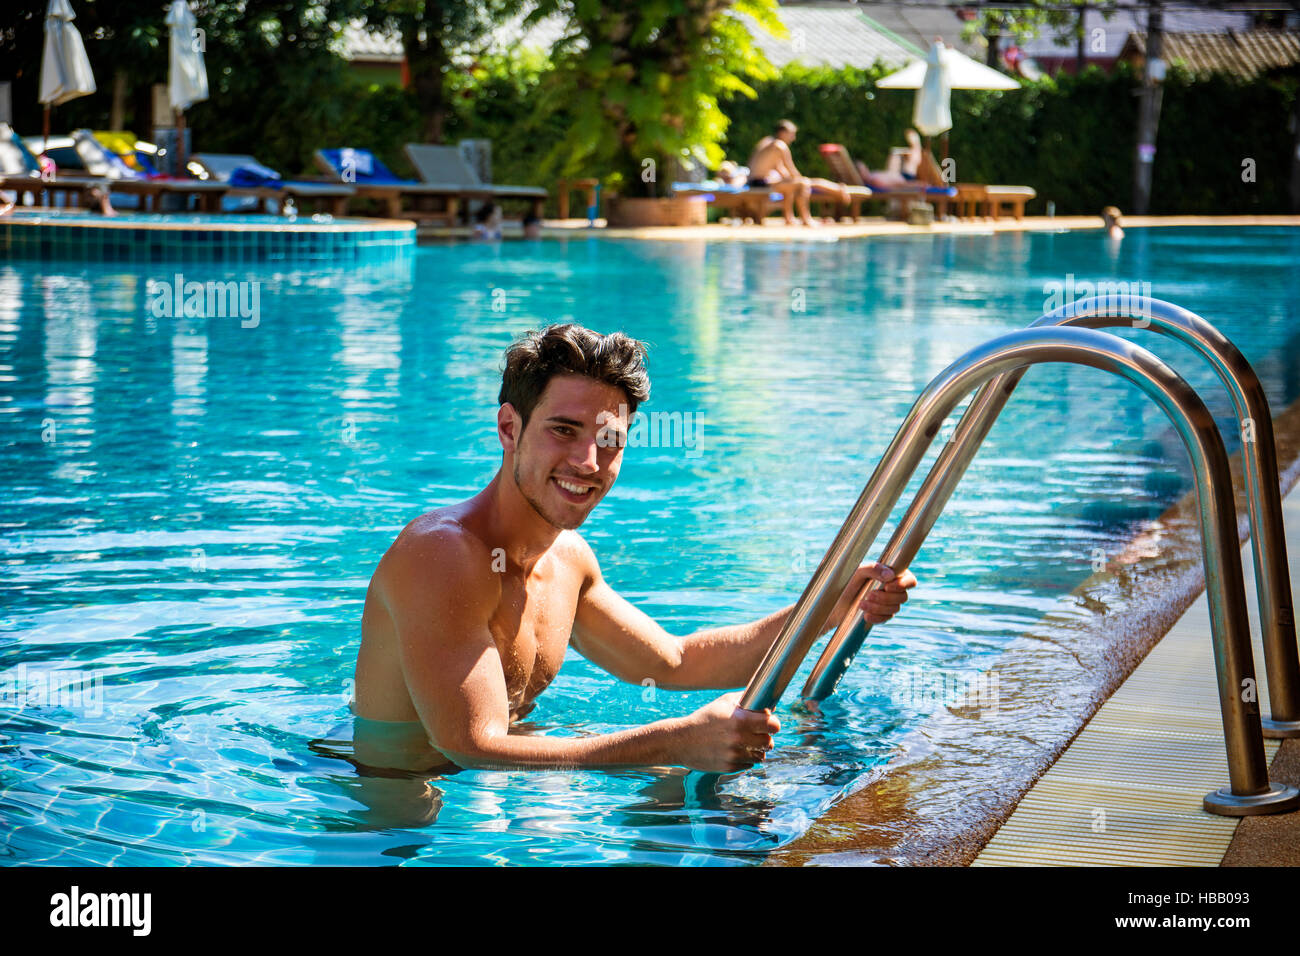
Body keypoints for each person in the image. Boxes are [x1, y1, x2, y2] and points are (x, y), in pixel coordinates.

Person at [353, 324, 918, 773]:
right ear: (508, 428)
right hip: (398, 808)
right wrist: (670, 740)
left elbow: (674, 662)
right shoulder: (444, 555)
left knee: (714, 790)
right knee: (680, 769)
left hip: (506, 781)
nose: (588, 463)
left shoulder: (568, 559)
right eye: (564, 430)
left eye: (609, 441)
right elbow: (471, 745)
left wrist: (834, 605)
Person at [747, 119, 851, 226]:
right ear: (782, 133)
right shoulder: (779, 145)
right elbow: (791, 169)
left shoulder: (769, 143)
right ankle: (807, 219)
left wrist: (792, 179)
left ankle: (789, 218)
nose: (793, 138)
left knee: (791, 183)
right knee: (802, 184)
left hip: (755, 181)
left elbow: (780, 169)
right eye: (792, 134)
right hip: (760, 183)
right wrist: (801, 180)